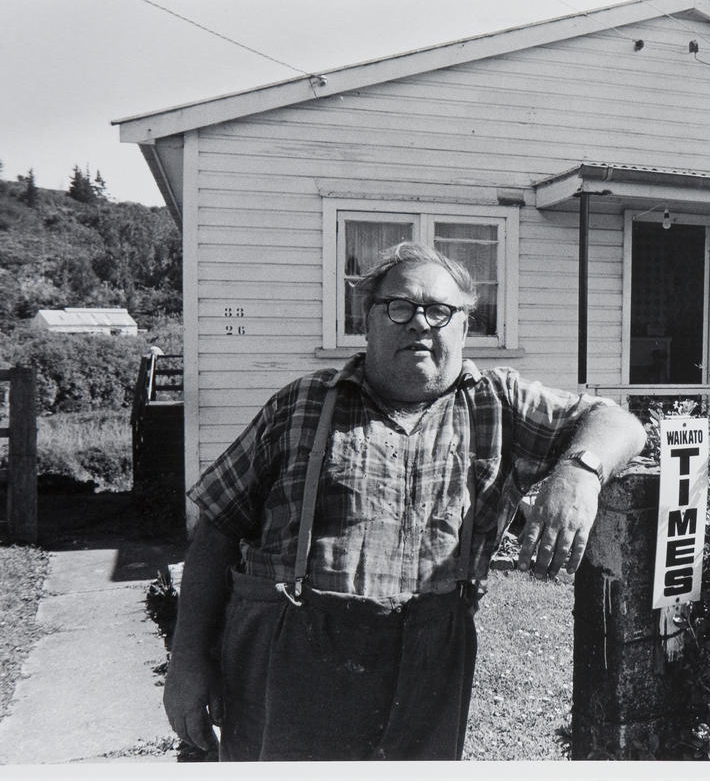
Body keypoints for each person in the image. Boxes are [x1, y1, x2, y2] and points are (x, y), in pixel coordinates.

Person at [163, 241, 647, 761]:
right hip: (286, 666)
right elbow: (215, 529)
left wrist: (579, 472)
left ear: (464, 327)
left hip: (429, 667)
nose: (420, 324)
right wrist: (187, 660)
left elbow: (618, 422)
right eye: (400, 306)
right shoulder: (300, 404)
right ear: (367, 320)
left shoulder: (497, 402)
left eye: (440, 311)